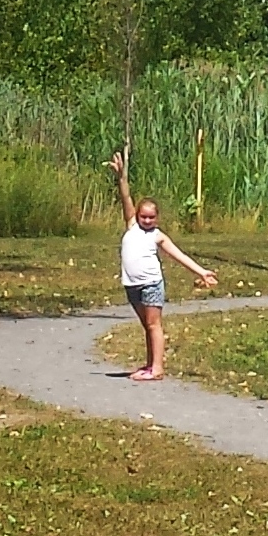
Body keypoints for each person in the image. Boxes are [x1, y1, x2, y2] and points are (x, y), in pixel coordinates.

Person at [108, 150, 217, 380]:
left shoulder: (158, 236)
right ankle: (149, 365)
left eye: (151, 217)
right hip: (132, 285)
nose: (146, 221)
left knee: (154, 324)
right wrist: (121, 178)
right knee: (147, 325)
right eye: (143, 216)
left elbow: (179, 256)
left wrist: (201, 272)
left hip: (151, 284)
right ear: (136, 216)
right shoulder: (131, 226)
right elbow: (126, 198)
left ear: (157, 218)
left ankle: (157, 368)